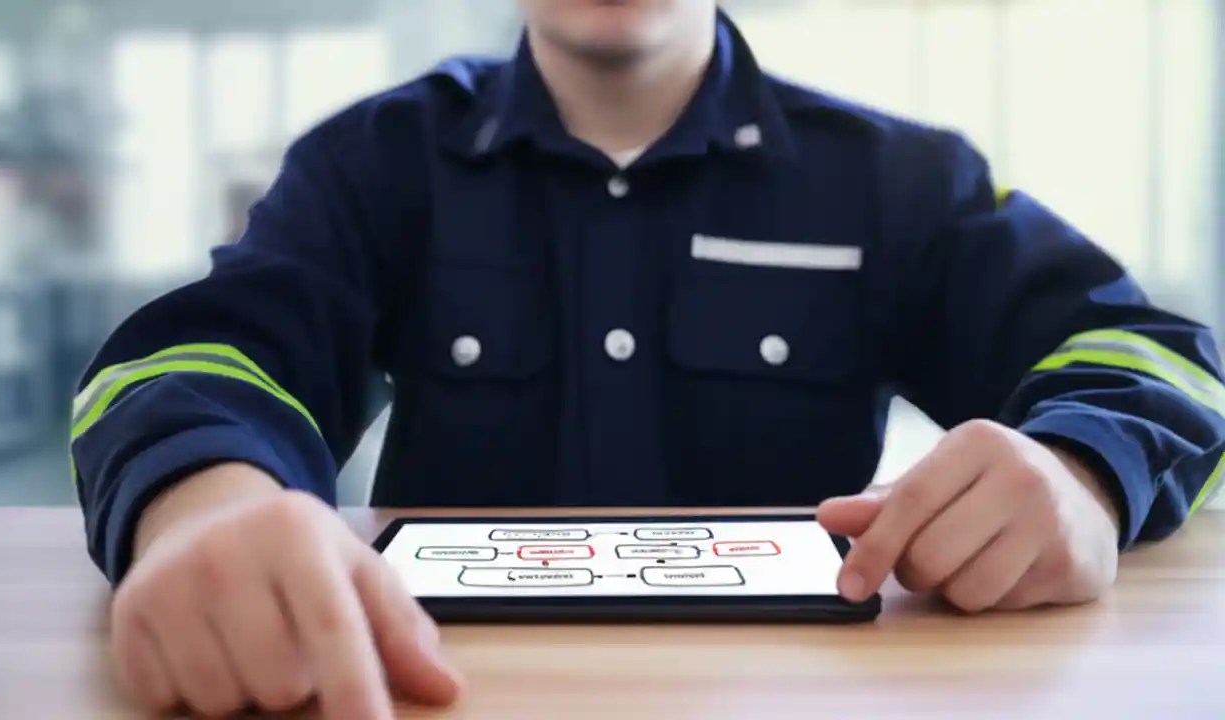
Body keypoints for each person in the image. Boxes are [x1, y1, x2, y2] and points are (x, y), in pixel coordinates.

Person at [71, 1, 1225, 717]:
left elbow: (1157, 355)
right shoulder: (369, 161)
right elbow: (195, 354)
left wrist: (1080, 471)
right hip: (433, 692)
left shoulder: (898, 177)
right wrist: (206, 504)